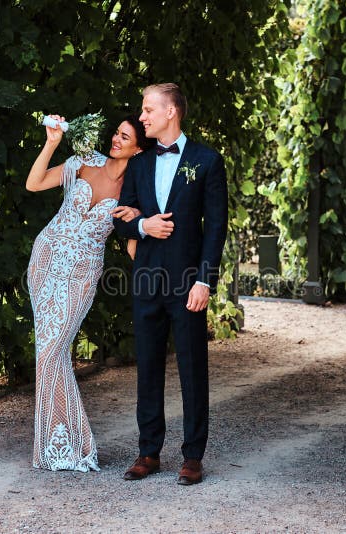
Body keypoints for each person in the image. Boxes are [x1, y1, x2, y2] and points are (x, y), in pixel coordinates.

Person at [112, 83, 228, 485]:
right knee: (147, 367)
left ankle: (193, 456)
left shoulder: (207, 161)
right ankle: (149, 452)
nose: (141, 117)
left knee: (193, 368)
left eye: (147, 110)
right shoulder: (140, 164)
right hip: (146, 279)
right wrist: (144, 225)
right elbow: (119, 217)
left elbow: (216, 228)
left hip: (187, 283)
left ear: (170, 113)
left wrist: (204, 282)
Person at [25, 114, 153, 471]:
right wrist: (52, 143)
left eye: (125, 137)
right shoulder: (82, 162)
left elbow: (132, 245)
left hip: (82, 273)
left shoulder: (134, 191)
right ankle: (63, 446)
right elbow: (34, 183)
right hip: (46, 258)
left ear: (139, 148)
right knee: (48, 352)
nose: (116, 139)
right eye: (116, 132)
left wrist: (157, 267)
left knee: (53, 350)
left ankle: (71, 444)